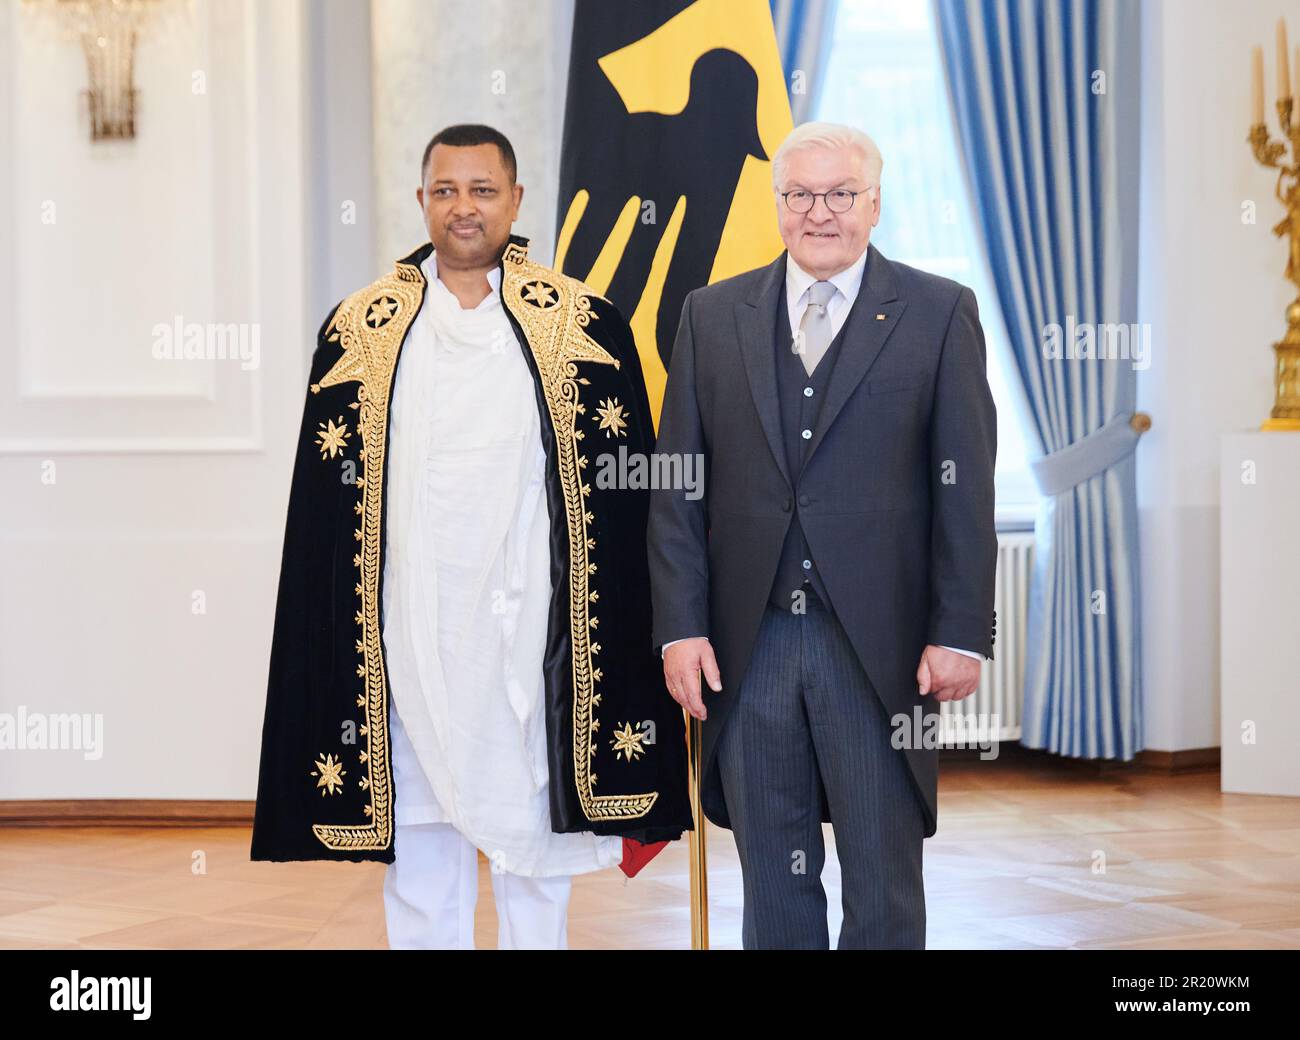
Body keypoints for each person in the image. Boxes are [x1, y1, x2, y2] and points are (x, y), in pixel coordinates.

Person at [251, 124, 690, 949]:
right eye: (446, 190)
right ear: (420, 202)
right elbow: (323, 517)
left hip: (533, 640)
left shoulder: (582, 329)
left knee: (536, 854)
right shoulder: (360, 333)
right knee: (420, 854)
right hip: (407, 633)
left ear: (517, 201)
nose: (463, 208)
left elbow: (628, 504)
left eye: (482, 190)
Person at [648, 121, 997, 949]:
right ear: (777, 205)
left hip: (878, 653)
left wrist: (961, 632)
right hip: (750, 645)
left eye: (840, 193)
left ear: (873, 203)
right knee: (773, 879)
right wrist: (679, 627)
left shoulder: (940, 313)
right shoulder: (711, 313)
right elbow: (677, 487)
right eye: (800, 194)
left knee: (881, 880)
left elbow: (966, 487)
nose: (819, 212)